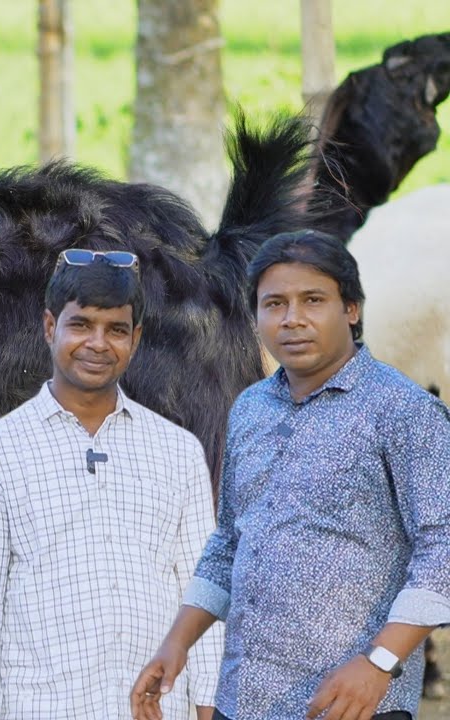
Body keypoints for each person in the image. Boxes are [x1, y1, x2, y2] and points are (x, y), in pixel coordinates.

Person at [130, 229, 450, 720]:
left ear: (352, 309)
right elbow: (229, 543)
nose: (292, 319)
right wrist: (178, 642)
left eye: (313, 300)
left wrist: (379, 663)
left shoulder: (404, 412)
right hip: (243, 700)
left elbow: (442, 550)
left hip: (352, 703)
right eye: (274, 303)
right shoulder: (250, 409)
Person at [0, 249, 221, 720]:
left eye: (116, 330)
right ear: (51, 327)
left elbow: (203, 588)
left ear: (135, 339)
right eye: (81, 325)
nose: (98, 343)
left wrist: (207, 704)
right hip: (41, 707)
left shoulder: (177, 451)